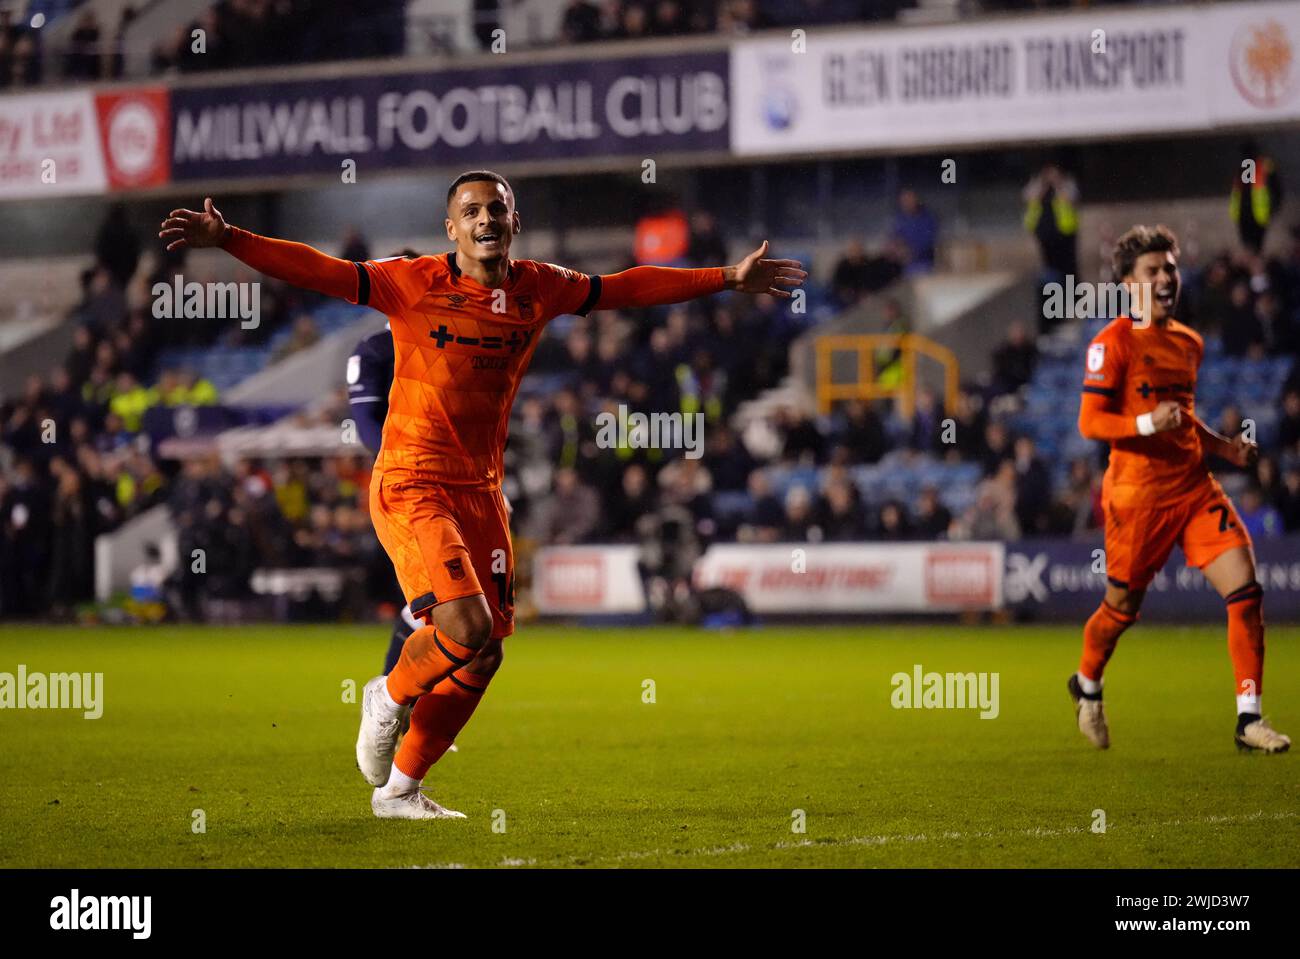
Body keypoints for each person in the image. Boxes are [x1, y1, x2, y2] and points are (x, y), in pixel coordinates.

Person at [159, 172, 805, 819]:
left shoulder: (539, 287)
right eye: (470, 210)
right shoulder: (410, 281)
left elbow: (625, 288)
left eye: (496, 207)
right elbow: (317, 270)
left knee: (486, 648)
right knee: (463, 625)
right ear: (452, 228)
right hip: (413, 479)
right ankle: (385, 694)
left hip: (481, 490)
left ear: (513, 221)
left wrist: (724, 278)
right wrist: (230, 238)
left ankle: (402, 789)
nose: (484, 219)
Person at [1070, 224, 1288, 754]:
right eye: (1153, 269)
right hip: (1137, 497)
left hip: (1194, 489)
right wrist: (1145, 424)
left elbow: (1184, 420)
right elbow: (1089, 423)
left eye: (1170, 266)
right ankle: (1088, 684)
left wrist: (1225, 449)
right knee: (1120, 608)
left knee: (1245, 590)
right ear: (1127, 283)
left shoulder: (1189, 343)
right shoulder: (1112, 343)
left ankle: (1248, 720)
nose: (1166, 277)